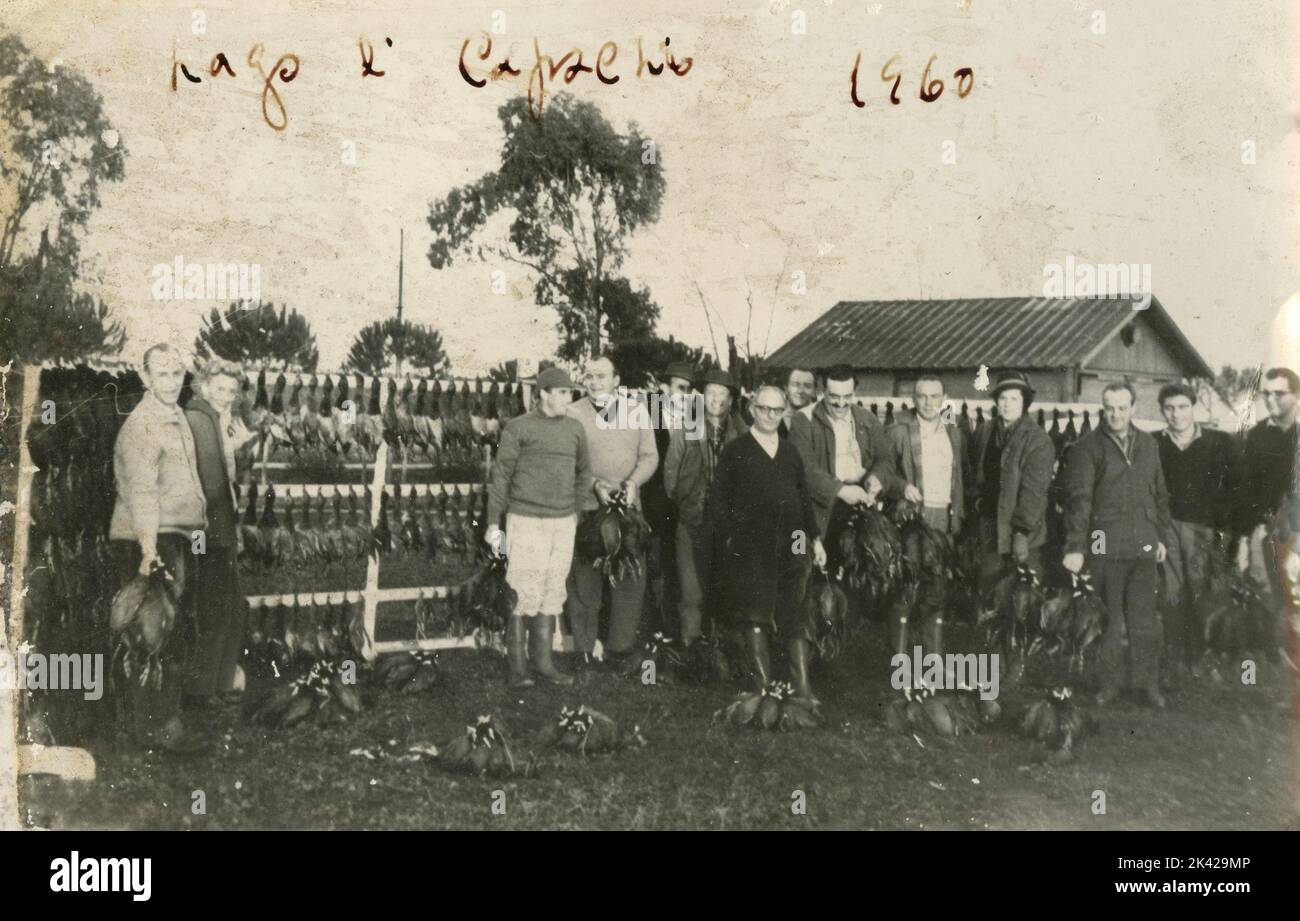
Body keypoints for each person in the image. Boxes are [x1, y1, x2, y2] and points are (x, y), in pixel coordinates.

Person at [108, 343, 209, 754]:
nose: (171, 382)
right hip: (148, 540)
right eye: (162, 375)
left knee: (171, 633)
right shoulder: (142, 426)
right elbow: (142, 492)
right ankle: (155, 728)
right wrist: (149, 552)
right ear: (146, 378)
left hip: (176, 537)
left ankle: (149, 724)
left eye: (177, 374)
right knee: (151, 639)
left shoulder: (176, 417)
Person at [708, 385, 825, 703]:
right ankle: (762, 688)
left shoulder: (790, 452)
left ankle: (802, 689)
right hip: (752, 547)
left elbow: (803, 499)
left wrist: (814, 540)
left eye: (777, 410)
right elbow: (719, 503)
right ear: (752, 410)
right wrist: (731, 539)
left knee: (798, 608)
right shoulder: (736, 451)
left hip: (795, 541)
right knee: (755, 611)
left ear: (784, 411)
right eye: (764, 409)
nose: (771, 416)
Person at [1063, 382, 1173, 708]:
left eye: (1122, 407)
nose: (1116, 414)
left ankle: (1146, 684)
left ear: (1133, 408)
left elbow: (1161, 495)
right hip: (1104, 547)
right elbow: (1079, 501)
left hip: (1143, 545)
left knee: (1144, 620)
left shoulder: (1149, 445)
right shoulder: (1087, 447)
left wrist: (1161, 538)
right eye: (1110, 407)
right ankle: (1107, 684)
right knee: (1108, 621)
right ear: (1103, 407)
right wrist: (1075, 547)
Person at [485, 366, 592, 687]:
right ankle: (518, 668)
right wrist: (493, 523)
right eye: (560, 392)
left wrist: (573, 511)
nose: (567, 398)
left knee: (551, 590)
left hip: (562, 523)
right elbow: (501, 476)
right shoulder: (518, 428)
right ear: (542, 394)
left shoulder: (575, 429)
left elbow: (584, 473)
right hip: (525, 521)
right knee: (521, 591)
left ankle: (544, 664)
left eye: (570, 392)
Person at [564, 355, 660, 672]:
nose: (594, 382)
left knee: (631, 576)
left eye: (601, 376)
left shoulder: (635, 411)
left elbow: (650, 456)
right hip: (589, 509)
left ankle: (621, 649)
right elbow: (569, 461)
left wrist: (633, 482)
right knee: (584, 578)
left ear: (616, 379)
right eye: (589, 376)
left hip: (628, 508)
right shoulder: (572, 413)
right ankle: (584, 651)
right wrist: (593, 485)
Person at [880, 376, 968, 658]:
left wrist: (958, 516)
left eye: (934, 397)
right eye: (922, 396)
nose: (928, 403)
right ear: (913, 398)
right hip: (912, 517)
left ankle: (934, 658)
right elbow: (883, 472)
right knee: (907, 588)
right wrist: (902, 487)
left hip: (943, 517)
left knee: (937, 589)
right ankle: (900, 658)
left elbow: (960, 478)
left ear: (944, 399)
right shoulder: (898, 431)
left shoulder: (954, 431)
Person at [1155, 382, 1238, 678]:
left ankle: (1203, 657)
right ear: (1161, 410)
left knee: (1203, 592)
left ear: (1194, 408)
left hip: (1206, 529)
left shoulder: (1220, 443)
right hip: (1167, 529)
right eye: (1169, 408)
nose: (1176, 414)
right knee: (1172, 593)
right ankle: (1174, 656)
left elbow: (1235, 489)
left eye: (1182, 407)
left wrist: (1227, 536)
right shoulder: (1153, 444)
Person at [663, 368, 748, 648]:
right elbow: (671, 477)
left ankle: (723, 647)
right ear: (701, 397)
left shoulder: (743, 434)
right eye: (711, 393)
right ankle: (690, 647)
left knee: (727, 585)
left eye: (724, 394)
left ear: (732, 399)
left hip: (728, 522)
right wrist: (689, 500)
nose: (717, 400)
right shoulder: (686, 429)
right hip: (692, 520)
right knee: (691, 590)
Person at [183, 358, 250, 704]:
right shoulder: (199, 418)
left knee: (230, 604)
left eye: (231, 390)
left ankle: (219, 684)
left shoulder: (218, 419)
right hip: (207, 529)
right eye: (219, 388)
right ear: (204, 386)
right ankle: (201, 689)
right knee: (214, 605)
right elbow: (210, 484)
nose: (226, 396)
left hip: (219, 527)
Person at [788, 364, 893, 553]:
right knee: (812, 566)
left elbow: (885, 458)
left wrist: (876, 478)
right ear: (822, 391)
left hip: (862, 500)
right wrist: (841, 490)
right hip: (821, 507)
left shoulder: (867, 419)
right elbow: (805, 469)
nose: (841, 403)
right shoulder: (803, 420)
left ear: (854, 392)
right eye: (834, 397)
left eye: (847, 396)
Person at [968, 370, 1055, 597]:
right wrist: (977, 500)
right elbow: (974, 472)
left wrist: (1021, 532)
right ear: (996, 401)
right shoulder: (984, 431)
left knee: (1024, 599)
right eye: (1003, 398)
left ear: (1024, 402)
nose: (1007, 404)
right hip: (990, 531)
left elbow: (1034, 492)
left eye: (1014, 398)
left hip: (1024, 535)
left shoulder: (1037, 439)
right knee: (990, 596)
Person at [1235, 367, 1298, 634]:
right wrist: (1244, 539)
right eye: (1266, 394)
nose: (1270, 399)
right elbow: (1246, 491)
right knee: (1269, 597)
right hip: (1265, 531)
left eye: (1279, 394)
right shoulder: (1256, 436)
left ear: (1295, 395)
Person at [641, 361, 695, 640]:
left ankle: (675, 630)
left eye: (689, 390)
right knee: (653, 567)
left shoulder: (693, 417)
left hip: (682, 507)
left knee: (679, 570)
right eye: (680, 388)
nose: (685, 396)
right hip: (652, 503)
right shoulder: (647, 411)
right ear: (664, 388)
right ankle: (651, 630)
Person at [780, 366, 818, 437]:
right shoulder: (773, 419)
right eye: (795, 385)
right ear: (786, 389)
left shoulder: (822, 423)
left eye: (807, 386)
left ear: (814, 392)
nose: (800, 391)